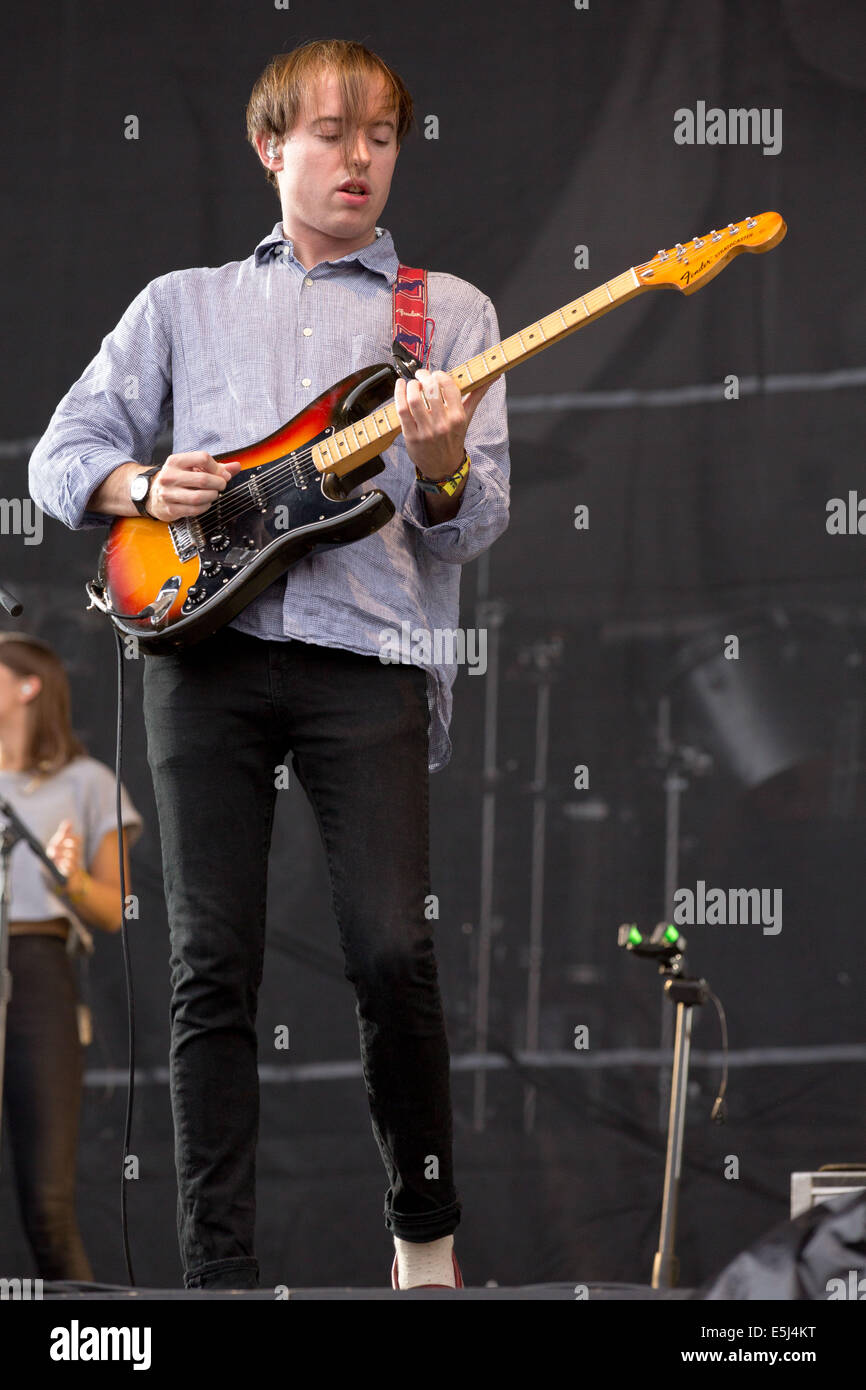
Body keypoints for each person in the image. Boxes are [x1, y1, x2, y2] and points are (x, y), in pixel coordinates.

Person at [29, 38, 510, 1290]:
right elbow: (61, 450)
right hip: (204, 651)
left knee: (391, 952)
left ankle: (425, 1240)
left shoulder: (445, 317)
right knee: (211, 965)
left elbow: (473, 519)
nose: (360, 158)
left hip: (368, 657)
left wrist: (444, 459)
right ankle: (219, 1275)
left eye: (382, 137)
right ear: (270, 147)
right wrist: (141, 480)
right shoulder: (182, 303)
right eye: (333, 133)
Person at [0, 634, 142, 1281]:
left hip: (38, 973)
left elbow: (115, 910)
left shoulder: (86, 783)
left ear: (28, 686)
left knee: (47, 1202)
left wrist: (70, 883)